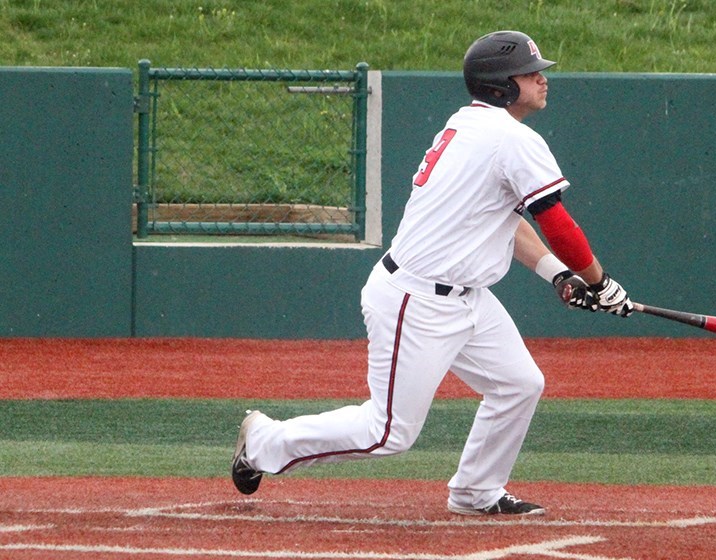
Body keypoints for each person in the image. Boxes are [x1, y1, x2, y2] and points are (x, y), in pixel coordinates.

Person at [230, 30, 634, 516]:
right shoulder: (510, 138)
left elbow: (508, 220)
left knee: (519, 384)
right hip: (416, 299)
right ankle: (263, 442)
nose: (542, 78)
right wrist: (599, 281)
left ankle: (476, 491)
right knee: (388, 433)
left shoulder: (473, 125)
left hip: (468, 297)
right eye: (530, 72)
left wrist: (557, 275)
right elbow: (558, 224)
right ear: (501, 85)